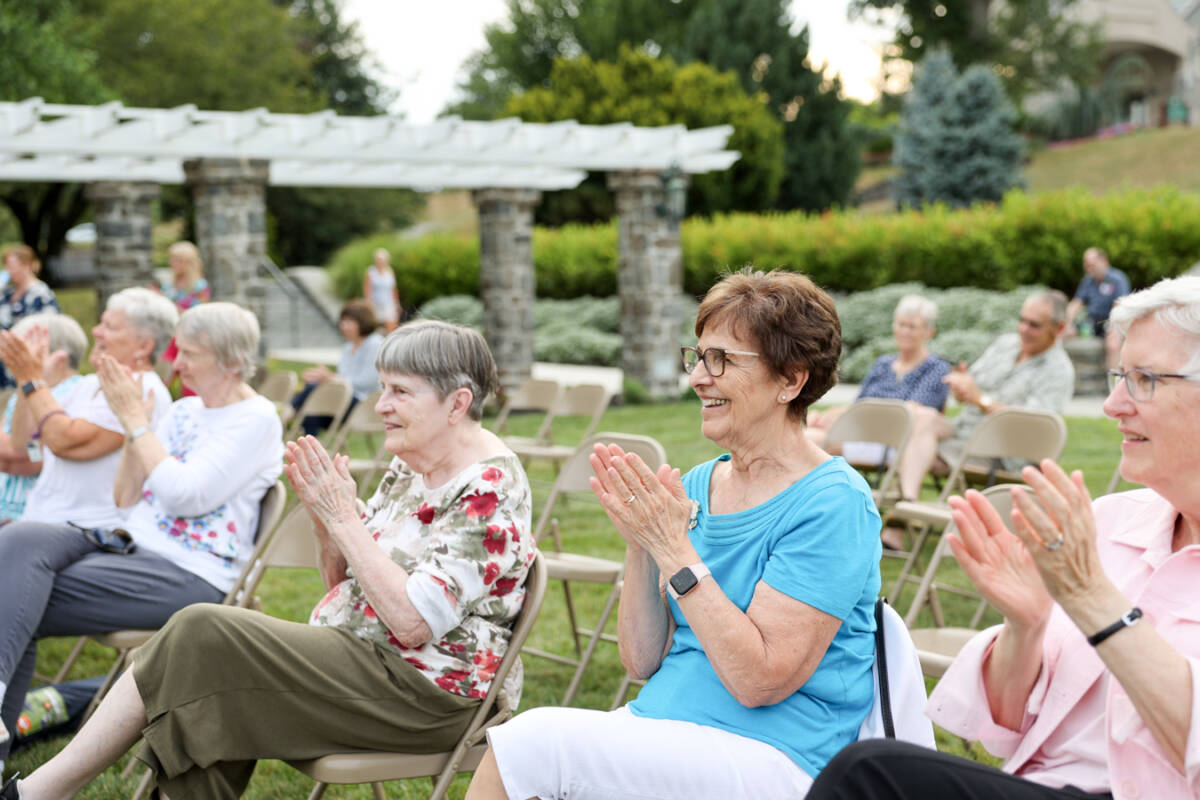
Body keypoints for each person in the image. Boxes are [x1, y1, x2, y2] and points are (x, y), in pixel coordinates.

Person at [6, 321, 535, 799]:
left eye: (400, 391)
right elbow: (342, 586)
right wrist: (326, 520)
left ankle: (37, 794)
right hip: (364, 661)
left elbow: (412, 623)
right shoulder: (415, 461)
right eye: (382, 388)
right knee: (211, 695)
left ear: (457, 403)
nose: (380, 405)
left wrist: (344, 520)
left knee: (201, 632)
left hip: (428, 696)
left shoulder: (489, 489)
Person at [466, 269, 882, 800]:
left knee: (529, 744)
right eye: (699, 357)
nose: (698, 378)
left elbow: (759, 681)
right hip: (665, 730)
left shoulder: (833, 503)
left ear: (790, 380)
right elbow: (641, 662)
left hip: (775, 756)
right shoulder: (699, 484)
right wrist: (641, 546)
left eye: (721, 359)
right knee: (533, 755)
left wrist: (674, 550)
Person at [805, 275, 1200, 800]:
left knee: (868, 773)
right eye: (1119, 377)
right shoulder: (1108, 524)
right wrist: (1025, 625)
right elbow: (1005, 732)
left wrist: (1094, 601)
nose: (1113, 404)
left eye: (1144, 380)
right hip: (1042, 785)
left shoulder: (1085, 553)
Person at [0, 301, 283, 774]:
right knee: (20, 545)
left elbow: (185, 495)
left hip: (192, 575)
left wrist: (135, 422)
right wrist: (138, 430)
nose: (176, 363)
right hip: (133, 546)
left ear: (232, 360)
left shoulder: (256, 418)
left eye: (189, 353)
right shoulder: (187, 409)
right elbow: (127, 497)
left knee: (15, 597)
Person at [0, 288, 176, 531]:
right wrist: (24, 383)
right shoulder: (88, 384)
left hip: (88, 530)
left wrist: (32, 380)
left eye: (109, 327)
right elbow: (28, 448)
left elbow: (64, 442)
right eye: (100, 323)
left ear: (143, 347)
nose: (96, 331)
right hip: (43, 522)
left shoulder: (142, 389)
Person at [889, 290, 1074, 516]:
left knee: (911, 449)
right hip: (962, 433)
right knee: (920, 416)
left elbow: (1035, 426)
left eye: (1034, 325)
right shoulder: (1006, 344)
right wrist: (961, 387)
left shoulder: (1058, 370)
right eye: (1022, 320)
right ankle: (907, 504)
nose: (1023, 329)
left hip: (1001, 454)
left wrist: (981, 400)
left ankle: (902, 513)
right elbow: (971, 386)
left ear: (1059, 328)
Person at [806, 294, 950, 450]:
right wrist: (827, 416)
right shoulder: (883, 364)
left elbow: (909, 413)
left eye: (912, 327)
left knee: (812, 443)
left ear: (929, 332)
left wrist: (848, 415)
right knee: (809, 435)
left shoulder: (936, 368)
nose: (905, 331)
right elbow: (858, 405)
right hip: (861, 434)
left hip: (896, 443)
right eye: (901, 325)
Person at [0, 314, 88, 523]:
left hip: (36, 517)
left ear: (60, 357)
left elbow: (31, 458)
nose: (13, 363)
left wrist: (19, 450)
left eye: (22, 353)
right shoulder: (21, 394)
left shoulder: (77, 393)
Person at [290, 299, 384, 436]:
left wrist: (331, 378)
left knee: (312, 390)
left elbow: (366, 382)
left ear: (362, 321)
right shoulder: (348, 347)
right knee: (310, 412)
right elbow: (342, 378)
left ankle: (288, 411)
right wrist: (322, 378)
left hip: (364, 404)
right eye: (342, 322)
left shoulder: (375, 344)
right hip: (342, 402)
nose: (343, 326)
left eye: (349, 322)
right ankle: (310, 445)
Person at [0, 246, 60, 389]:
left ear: (27, 266)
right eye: (6, 266)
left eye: (12, 266)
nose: (8, 271)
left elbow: (47, 330)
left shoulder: (41, 294)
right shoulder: (7, 294)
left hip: (24, 367)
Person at [1066, 247, 1130, 370]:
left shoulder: (1117, 278)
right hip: (1092, 321)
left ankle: (1113, 379)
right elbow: (1076, 303)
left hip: (1111, 320)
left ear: (1103, 261)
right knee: (1063, 332)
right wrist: (1067, 321)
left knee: (1113, 344)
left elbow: (1119, 305)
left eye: (1091, 265)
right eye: (1086, 265)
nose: (1088, 268)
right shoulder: (1087, 280)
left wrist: (1113, 325)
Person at [157, 241, 211, 312]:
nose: (172, 263)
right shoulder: (168, 285)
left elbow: (201, 312)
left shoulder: (200, 286)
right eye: (172, 259)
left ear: (189, 263)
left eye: (178, 260)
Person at [363, 247, 401, 332]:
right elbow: (367, 290)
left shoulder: (390, 271)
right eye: (378, 260)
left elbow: (393, 289)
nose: (380, 262)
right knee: (375, 327)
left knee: (392, 325)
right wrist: (368, 304)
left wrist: (397, 303)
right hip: (376, 304)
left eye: (382, 260)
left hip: (388, 303)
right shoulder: (370, 272)